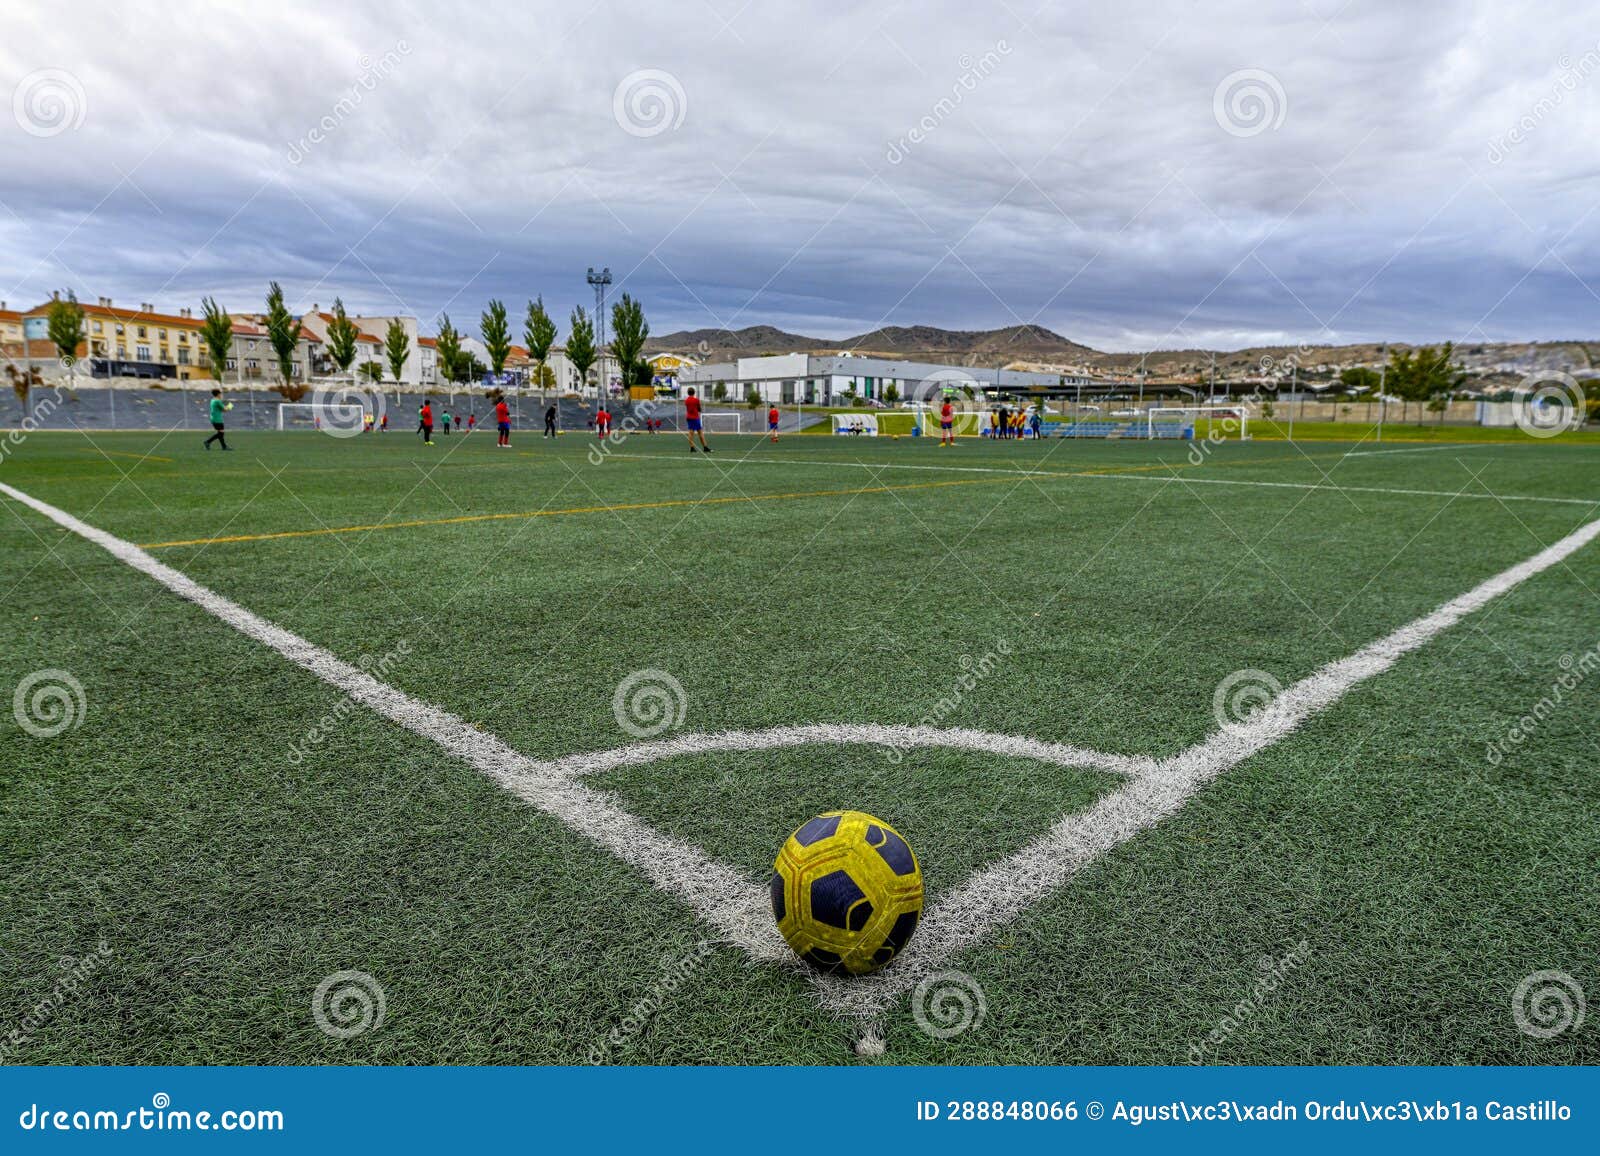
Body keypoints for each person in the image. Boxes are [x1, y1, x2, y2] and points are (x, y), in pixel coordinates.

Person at [684, 387, 710, 453]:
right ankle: (705, 447)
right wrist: (698, 409)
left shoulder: (686, 400)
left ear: (688, 393)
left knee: (691, 434)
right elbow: (699, 409)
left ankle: (692, 447)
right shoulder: (696, 400)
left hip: (689, 418)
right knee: (700, 433)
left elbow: (688, 408)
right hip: (695, 418)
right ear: (694, 392)